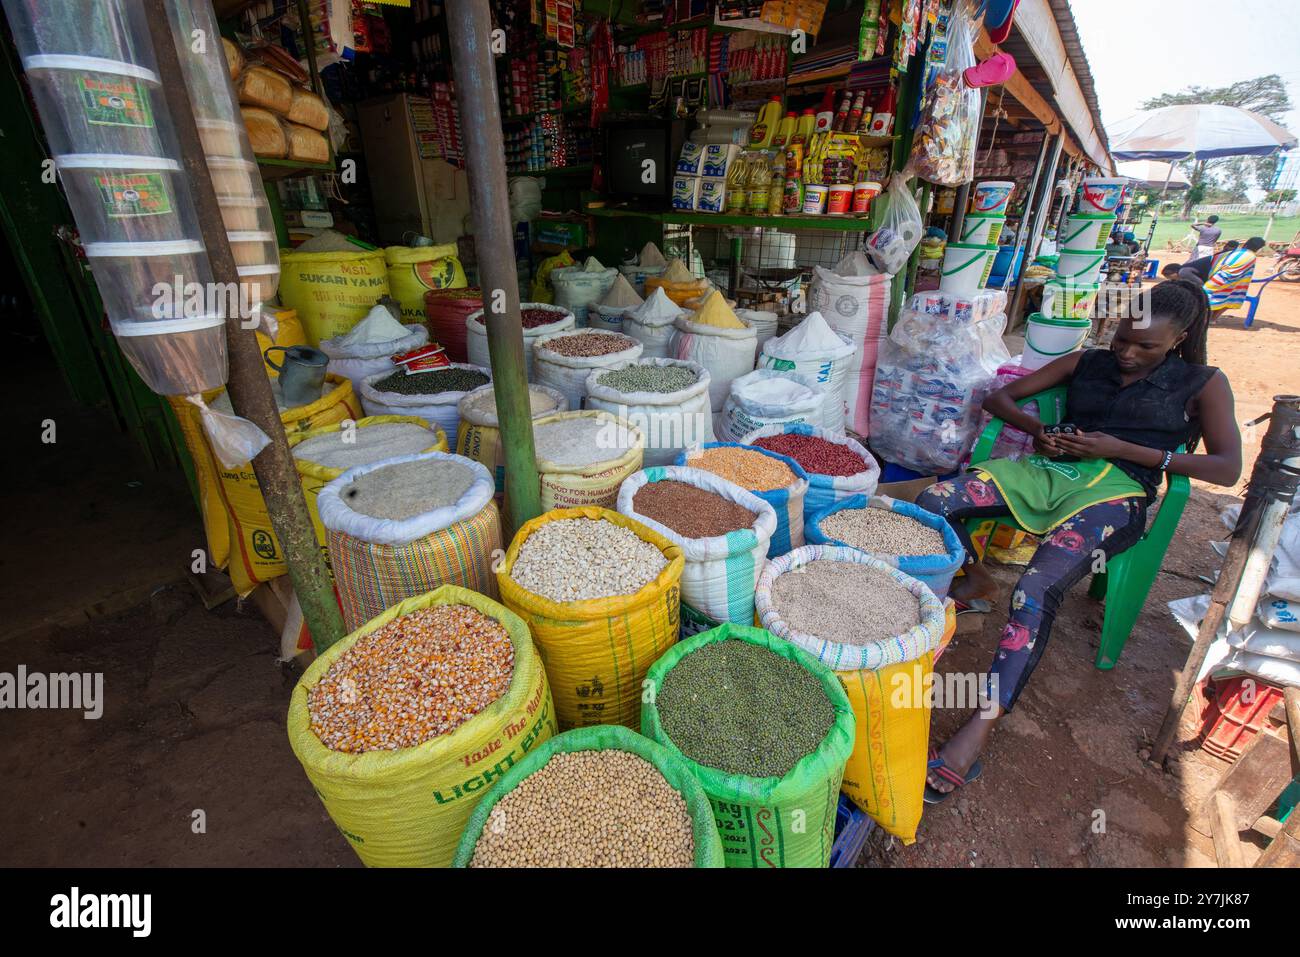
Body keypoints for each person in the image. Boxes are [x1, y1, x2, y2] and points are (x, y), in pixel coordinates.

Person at [914, 278, 1242, 803]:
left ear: (1178, 339)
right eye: (1121, 342)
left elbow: (1227, 468)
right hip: (1050, 470)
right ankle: (974, 577)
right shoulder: (1086, 361)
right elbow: (1000, 396)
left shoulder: (1203, 382)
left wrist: (1126, 449)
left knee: (1037, 586)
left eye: (1145, 347)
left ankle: (981, 724)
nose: (1128, 355)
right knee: (933, 505)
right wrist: (1035, 429)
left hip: (1117, 492)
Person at [1204, 236, 1265, 315]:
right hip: (1234, 285)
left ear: (1246, 243)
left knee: (1206, 295)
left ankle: (1206, 317)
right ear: (1258, 248)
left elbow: (1218, 263)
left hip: (1217, 280)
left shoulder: (1236, 253)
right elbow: (1247, 274)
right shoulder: (1252, 257)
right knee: (1232, 297)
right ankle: (1214, 318)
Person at [1160, 240, 1239, 283]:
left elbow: (1200, 284)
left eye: (1169, 277)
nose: (1171, 280)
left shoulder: (1183, 272)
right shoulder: (1185, 268)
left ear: (1174, 273)